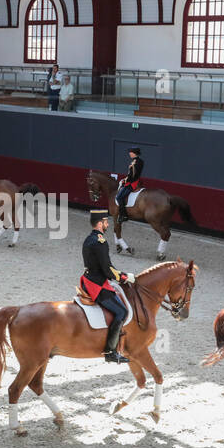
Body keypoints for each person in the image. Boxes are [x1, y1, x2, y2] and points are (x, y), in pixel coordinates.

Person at [80, 208, 131, 364]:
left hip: (88, 278)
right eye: (106, 221)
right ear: (100, 223)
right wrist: (124, 276)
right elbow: (107, 269)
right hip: (97, 284)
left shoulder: (89, 239)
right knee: (122, 312)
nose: (108, 224)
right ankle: (110, 351)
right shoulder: (100, 241)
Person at [116, 146, 143, 223]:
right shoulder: (135, 161)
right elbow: (131, 174)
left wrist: (126, 180)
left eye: (131, 152)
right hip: (131, 180)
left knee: (119, 197)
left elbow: (134, 175)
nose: (129, 154)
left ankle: (123, 215)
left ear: (134, 153)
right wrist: (125, 179)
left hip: (132, 183)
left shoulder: (137, 162)